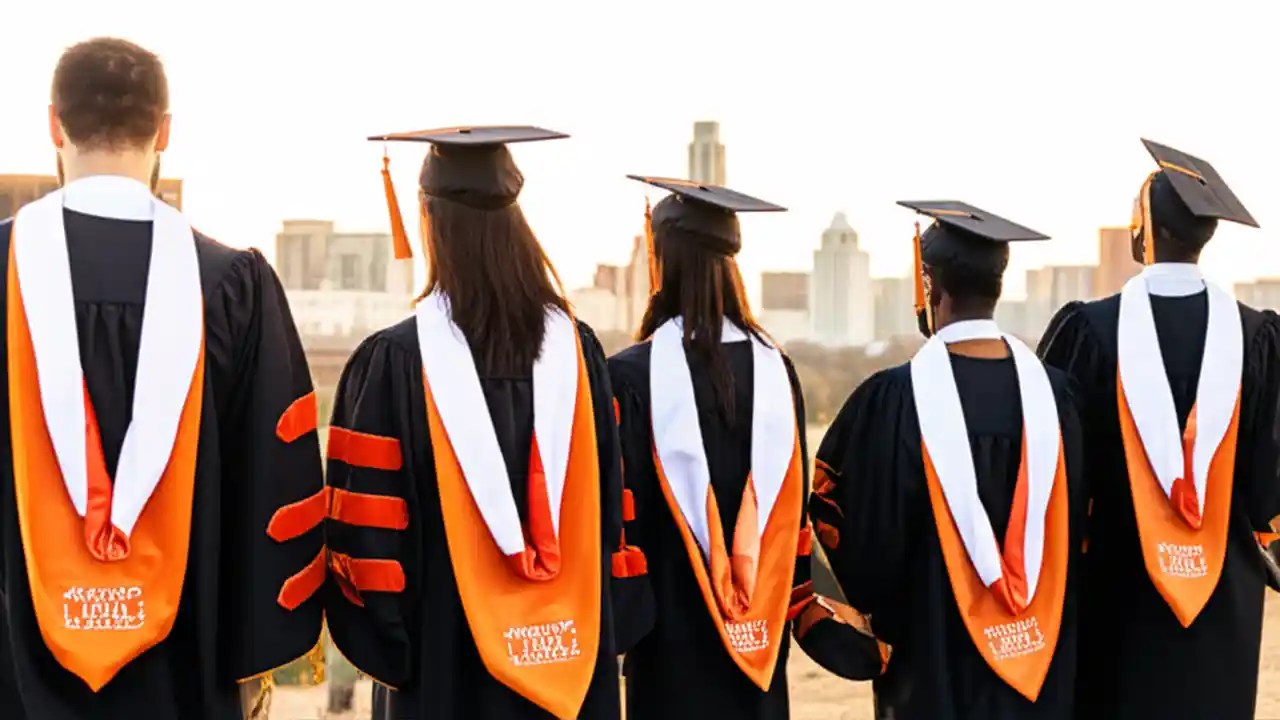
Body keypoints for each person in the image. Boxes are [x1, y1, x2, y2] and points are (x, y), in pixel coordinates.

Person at [0, 37, 325, 719]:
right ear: (165, 132)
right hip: (184, 671)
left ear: (53, 124)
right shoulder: (232, 284)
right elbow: (271, 482)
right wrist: (247, 658)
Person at [325, 125, 625, 720]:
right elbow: (612, 513)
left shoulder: (395, 362)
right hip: (568, 658)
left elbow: (364, 539)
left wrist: (399, 655)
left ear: (429, 220)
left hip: (444, 672)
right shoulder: (581, 354)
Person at [607, 176, 884, 720]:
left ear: (661, 263)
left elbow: (620, 524)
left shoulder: (630, 376)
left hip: (666, 651)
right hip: (761, 639)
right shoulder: (776, 371)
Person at [809, 202, 1086, 720]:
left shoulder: (892, 402)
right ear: (997, 286)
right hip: (1041, 672)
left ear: (930, 285)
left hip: (928, 674)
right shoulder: (1059, 399)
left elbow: (855, 544)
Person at [1038, 140, 1279, 720]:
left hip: (1119, 586)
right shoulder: (1256, 340)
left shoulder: (1089, 332)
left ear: (1142, 230)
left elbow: (1056, 463)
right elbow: (1269, 480)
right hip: (1224, 595)